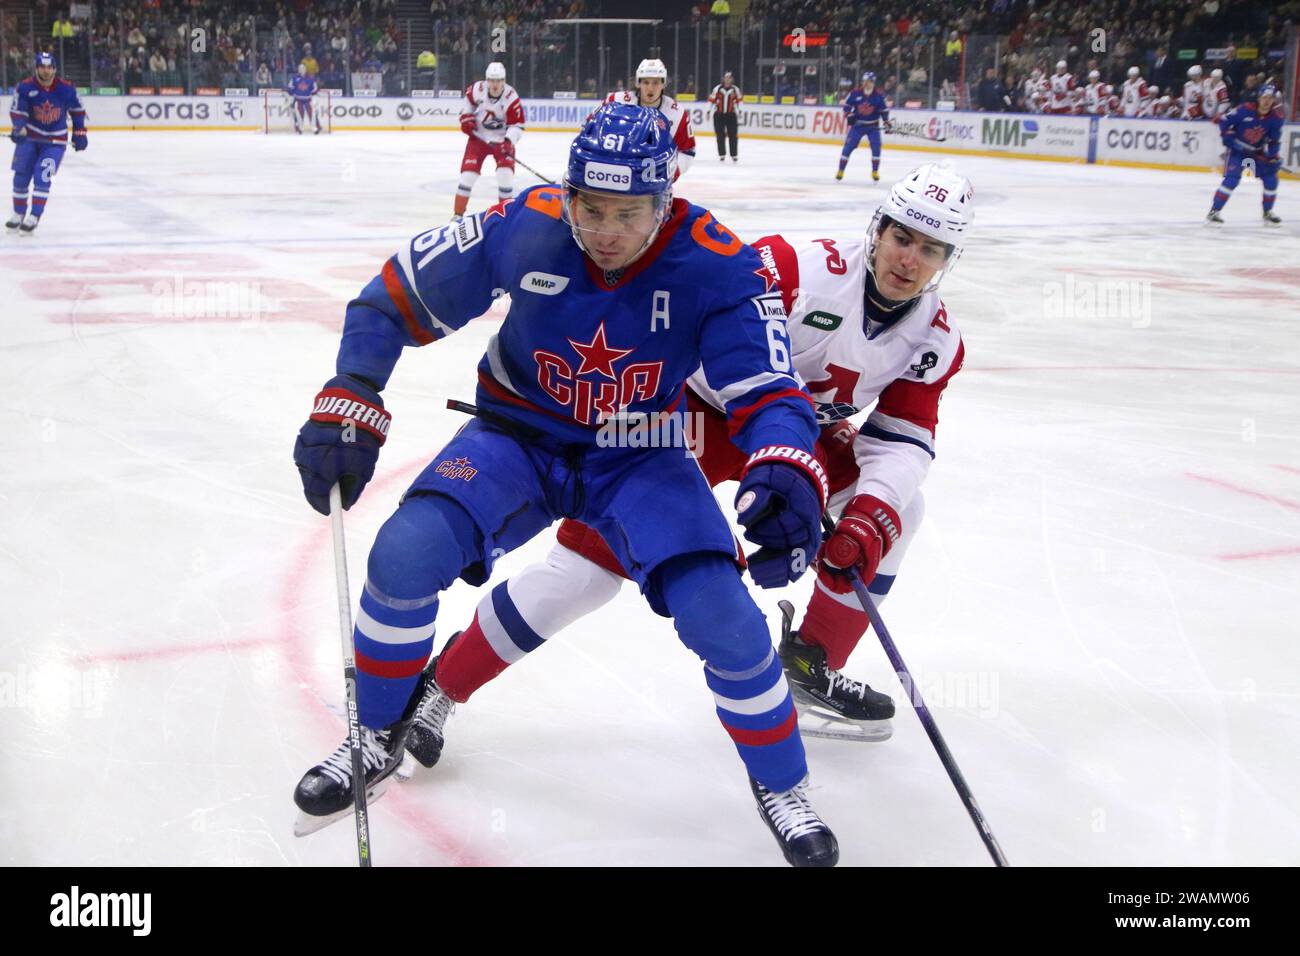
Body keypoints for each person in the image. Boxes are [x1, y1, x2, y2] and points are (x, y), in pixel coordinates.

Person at [290, 103, 839, 867]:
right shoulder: (525, 221)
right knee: (402, 557)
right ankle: (374, 734)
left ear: (666, 200)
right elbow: (392, 297)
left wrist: (786, 466)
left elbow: (769, 394)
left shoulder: (720, 262)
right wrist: (351, 388)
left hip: (638, 450)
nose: (606, 229)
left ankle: (783, 784)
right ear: (568, 193)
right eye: (591, 207)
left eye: (629, 211)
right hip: (516, 435)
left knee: (729, 621)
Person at [401, 161, 973, 767]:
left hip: (797, 437)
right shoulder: (796, 267)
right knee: (585, 573)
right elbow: (690, 316)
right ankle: (442, 684)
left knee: (896, 511)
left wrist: (866, 519)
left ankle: (811, 661)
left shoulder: (936, 338)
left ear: (947, 259)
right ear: (878, 229)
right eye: (902, 237)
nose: (909, 260)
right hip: (693, 412)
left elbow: (902, 438)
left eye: (930, 249)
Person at [6, 52, 85, 235]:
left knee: (43, 176)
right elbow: (18, 111)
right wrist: (19, 128)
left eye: (50, 67)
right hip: (30, 139)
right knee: (21, 177)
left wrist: (79, 133)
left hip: (54, 143)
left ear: (54, 69)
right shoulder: (25, 87)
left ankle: (34, 215)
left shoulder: (67, 89)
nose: (46, 71)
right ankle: (18, 213)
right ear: (36, 68)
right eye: (42, 67)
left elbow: (78, 110)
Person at [453, 61, 525, 219]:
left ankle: (506, 217)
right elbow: (468, 106)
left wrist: (508, 141)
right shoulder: (477, 90)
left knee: (505, 176)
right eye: (492, 80)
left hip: (501, 141)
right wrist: (466, 118)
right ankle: (457, 216)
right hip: (478, 138)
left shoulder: (511, 97)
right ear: (487, 80)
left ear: (503, 81)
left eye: (498, 80)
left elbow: (518, 125)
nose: (495, 84)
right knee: (467, 176)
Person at [602, 59, 696, 179]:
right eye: (646, 82)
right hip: (615, 174)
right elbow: (590, 125)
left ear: (664, 84)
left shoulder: (677, 113)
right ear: (638, 83)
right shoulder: (616, 100)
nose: (650, 88)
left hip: (652, 183)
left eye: (656, 82)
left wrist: (671, 171)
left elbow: (688, 151)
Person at [1207, 84, 1283, 226]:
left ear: (1274, 101)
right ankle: (1214, 212)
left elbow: (1274, 141)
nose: (1267, 101)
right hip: (1237, 151)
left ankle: (1268, 213)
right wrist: (1227, 136)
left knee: (1271, 179)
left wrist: (1273, 156)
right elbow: (1223, 120)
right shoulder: (1244, 109)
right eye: (1264, 97)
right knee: (1232, 179)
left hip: (1255, 153)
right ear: (1259, 98)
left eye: (1270, 98)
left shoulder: (1276, 118)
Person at [837, 71, 891, 182]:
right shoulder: (855, 93)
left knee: (876, 148)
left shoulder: (879, 96)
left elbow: (883, 111)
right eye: (865, 81)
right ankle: (840, 170)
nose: (866, 83)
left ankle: (875, 171)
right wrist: (848, 113)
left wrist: (886, 121)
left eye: (869, 81)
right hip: (858, 126)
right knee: (848, 148)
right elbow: (847, 105)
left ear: (873, 82)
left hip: (873, 127)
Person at [708, 70, 742, 161]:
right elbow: (711, 101)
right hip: (719, 115)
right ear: (723, 79)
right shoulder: (717, 89)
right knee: (720, 135)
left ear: (732, 79)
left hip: (731, 115)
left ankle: (734, 155)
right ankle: (722, 154)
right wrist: (708, 111)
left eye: (729, 78)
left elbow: (740, 101)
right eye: (726, 78)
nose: (727, 80)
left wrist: (740, 112)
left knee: (733, 135)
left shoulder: (735, 89)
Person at [285, 62, 322, 134]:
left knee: (312, 114)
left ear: (305, 69)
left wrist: (312, 93)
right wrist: (291, 92)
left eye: (303, 68)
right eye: (300, 68)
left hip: (308, 100)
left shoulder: (311, 78)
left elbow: (315, 88)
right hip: (298, 100)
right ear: (298, 70)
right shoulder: (294, 78)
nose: (301, 69)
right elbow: (290, 87)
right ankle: (300, 129)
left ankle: (314, 128)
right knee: (299, 115)